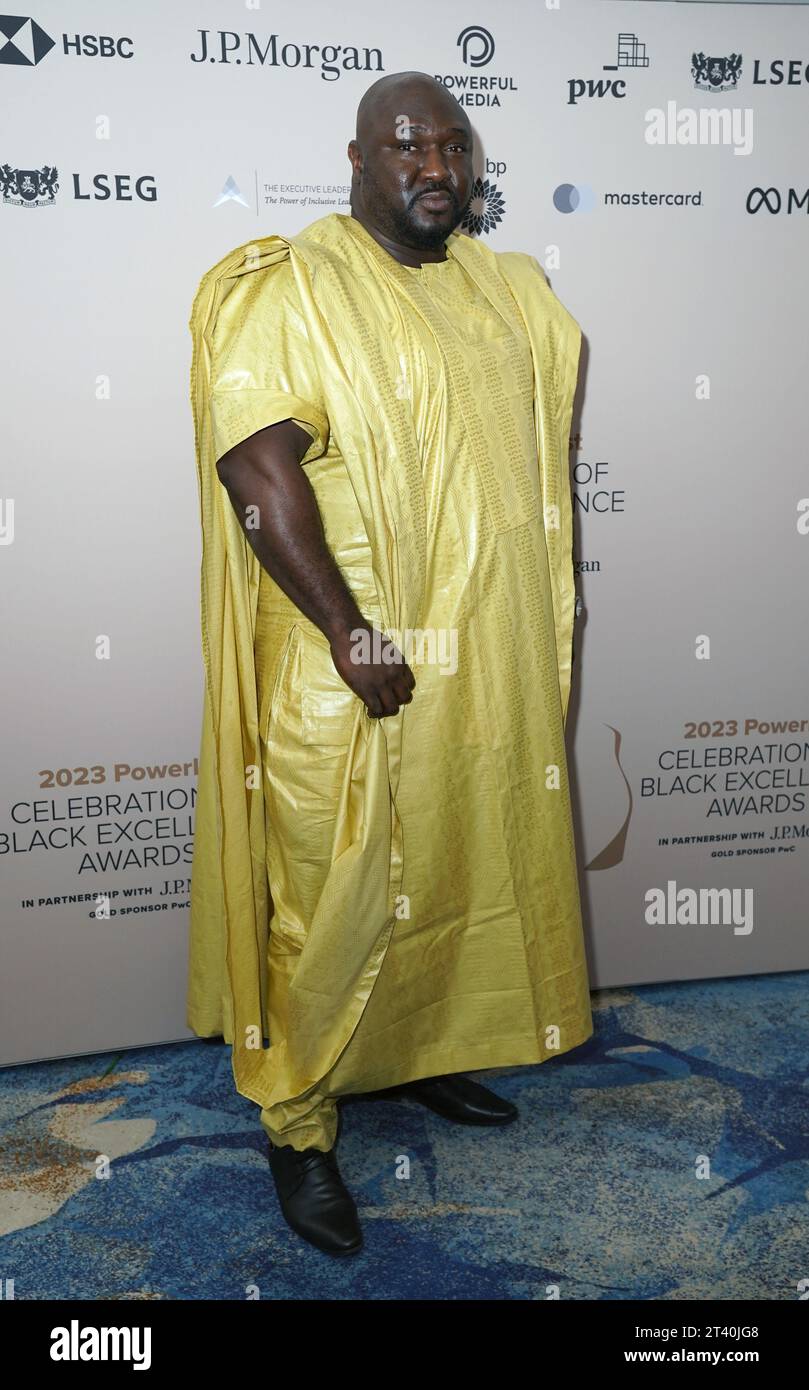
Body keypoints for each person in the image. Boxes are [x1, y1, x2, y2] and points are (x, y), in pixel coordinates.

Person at [187, 69, 593, 1257]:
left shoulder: (501, 287)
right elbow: (258, 473)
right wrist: (347, 628)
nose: (434, 169)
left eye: (453, 149)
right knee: (333, 898)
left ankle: (419, 1053)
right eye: (407, 147)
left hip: (484, 665)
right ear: (357, 160)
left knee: (465, 865)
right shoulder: (296, 284)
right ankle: (300, 1124)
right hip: (352, 662)